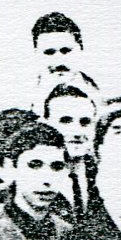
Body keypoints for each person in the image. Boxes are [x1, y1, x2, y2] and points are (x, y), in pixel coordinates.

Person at [42, 83, 99, 219]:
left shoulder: (105, 176)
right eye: (66, 121)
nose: (77, 132)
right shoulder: (32, 178)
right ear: (46, 125)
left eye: (85, 122)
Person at [30, 10, 100, 100]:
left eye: (66, 51)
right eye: (49, 52)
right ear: (37, 54)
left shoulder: (102, 97)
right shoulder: (25, 102)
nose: (58, 62)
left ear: (80, 49)